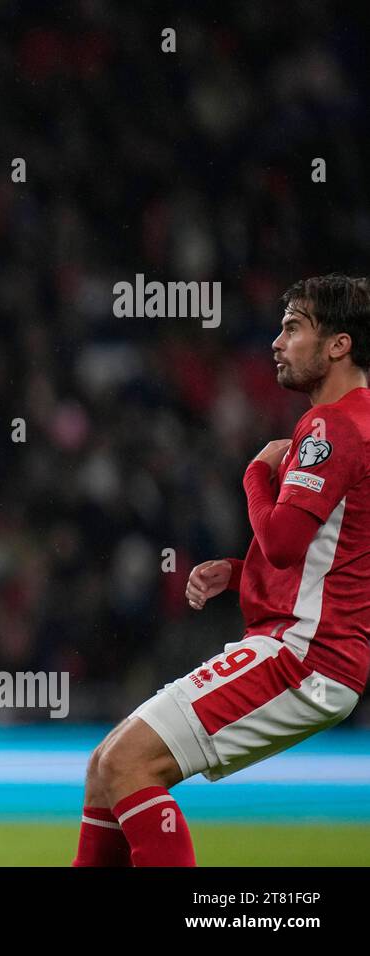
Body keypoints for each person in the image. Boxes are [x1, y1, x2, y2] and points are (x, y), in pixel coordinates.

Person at [73, 274, 370, 866]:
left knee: (130, 763)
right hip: (308, 646)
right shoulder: (355, 423)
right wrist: (241, 573)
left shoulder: (333, 426)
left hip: (304, 652)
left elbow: (285, 541)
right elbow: (336, 555)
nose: (276, 343)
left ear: (338, 345)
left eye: (292, 327)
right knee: (105, 766)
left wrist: (254, 476)